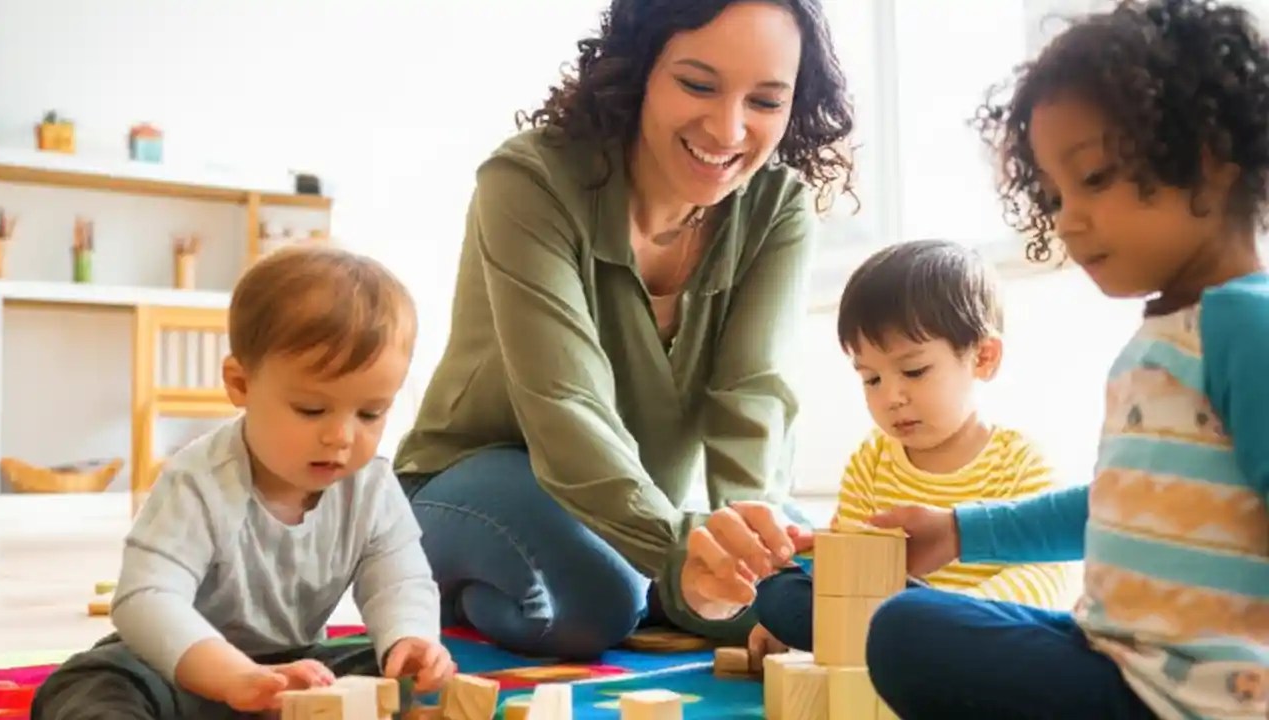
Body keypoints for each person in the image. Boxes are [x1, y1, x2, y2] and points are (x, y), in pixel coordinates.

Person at [393, 0, 855, 658]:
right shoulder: (528, 180)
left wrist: (747, 545)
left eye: (766, 101)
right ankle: (462, 588)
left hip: (625, 514)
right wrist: (679, 552)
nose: (728, 129)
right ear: (640, 70)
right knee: (595, 600)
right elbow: (566, 408)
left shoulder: (778, 207)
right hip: (467, 483)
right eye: (697, 84)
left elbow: (754, 394)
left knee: (817, 583)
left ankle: (654, 582)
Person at [864, 1, 1269, 718]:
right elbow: (1108, 509)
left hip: (1197, 698)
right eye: (1052, 193)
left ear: (1209, 165)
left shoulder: (1244, 323)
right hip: (1121, 659)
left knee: (907, 631)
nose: (1067, 218)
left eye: (1095, 179)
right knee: (902, 623)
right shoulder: (1166, 338)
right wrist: (958, 530)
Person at [32, 247, 453, 720]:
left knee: (395, 677)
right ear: (240, 384)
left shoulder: (371, 487)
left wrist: (410, 638)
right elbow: (145, 600)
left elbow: (399, 581)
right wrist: (233, 676)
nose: (341, 436)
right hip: (184, 669)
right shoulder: (199, 481)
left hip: (295, 672)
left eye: (370, 413)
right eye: (311, 410)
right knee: (90, 685)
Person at [746, 239, 1072, 664]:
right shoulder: (871, 461)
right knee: (776, 592)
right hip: (890, 616)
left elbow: (1048, 575)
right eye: (871, 379)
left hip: (975, 629)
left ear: (983, 357)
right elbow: (847, 568)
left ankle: (907, 642)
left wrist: (951, 613)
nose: (892, 397)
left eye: (914, 371)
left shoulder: (1020, 461)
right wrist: (811, 553)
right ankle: (886, 642)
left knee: (1026, 630)